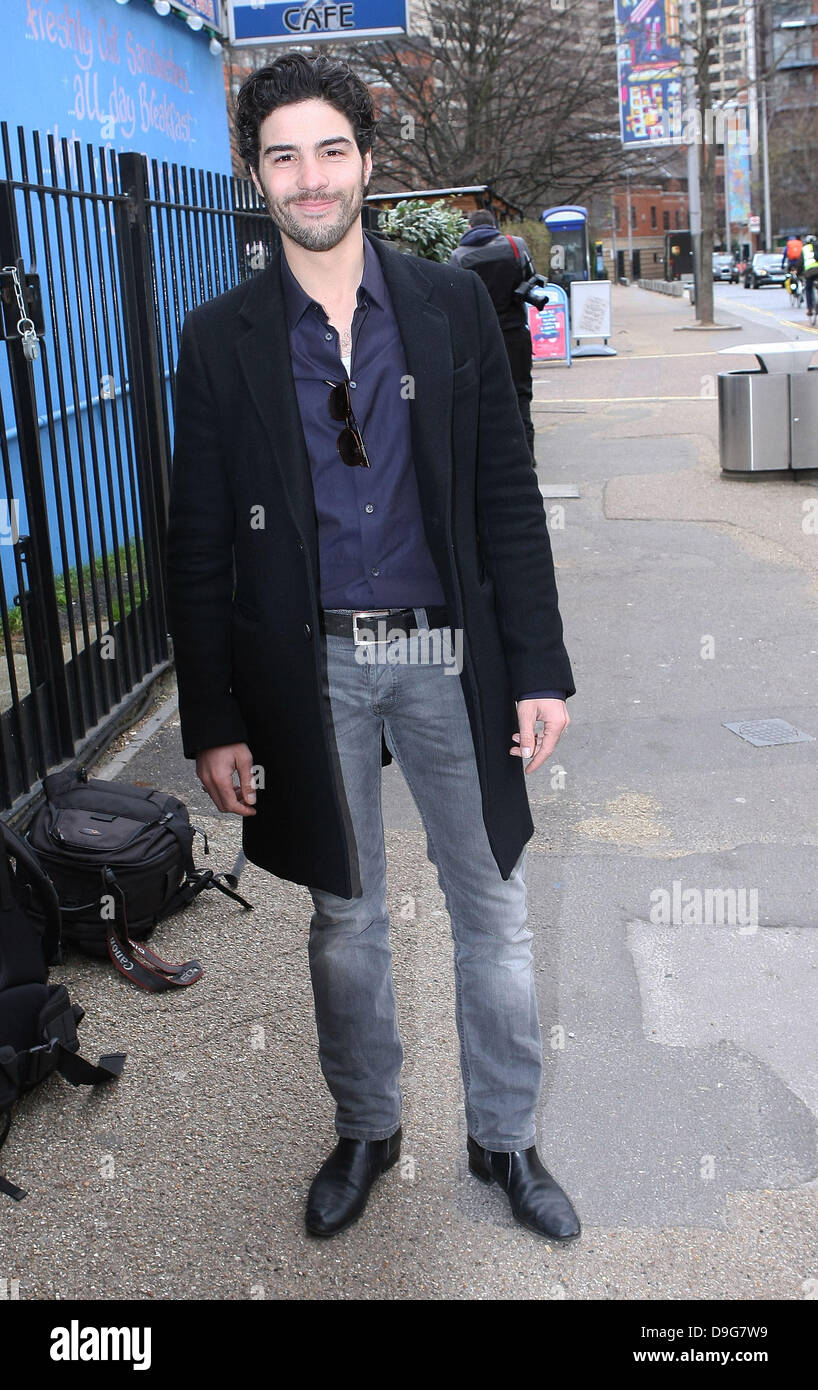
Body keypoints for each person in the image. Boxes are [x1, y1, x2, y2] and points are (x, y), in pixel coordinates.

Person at [165, 53, 580, 1243]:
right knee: (343, 920)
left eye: (330, 149)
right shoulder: (219, 339)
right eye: (283, 155)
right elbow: (196, 541)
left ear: (366, 163)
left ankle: (504, 1138)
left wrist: (538, 665)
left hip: (453, 657)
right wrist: (214, 718)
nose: (309, 176)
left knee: (490, 906)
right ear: (256, 174)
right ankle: (367, 1127)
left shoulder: (447, 309)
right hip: (314, 669)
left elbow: (506, 493)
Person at [450, 210, 538, 460]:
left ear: (469, 227)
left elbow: (456, 297)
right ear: (494, 225)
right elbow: (530, 280)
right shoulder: (515, 245)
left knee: (487, 397)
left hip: (480, 338)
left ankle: (496, 455)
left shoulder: (459, 256)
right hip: (514, 332)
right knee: (521, 393)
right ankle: (526, 454)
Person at [800, 235, 818, 315]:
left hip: (809, 272)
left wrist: (798, 273)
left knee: (808, 289)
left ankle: (810, 309)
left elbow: (800, 263)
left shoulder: (804, 249)